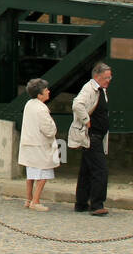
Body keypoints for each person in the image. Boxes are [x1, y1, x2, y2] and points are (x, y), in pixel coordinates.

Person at [70, 62, 112, 215]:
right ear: (97, 76)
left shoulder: (101, 90)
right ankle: (96, 204)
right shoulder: (89, 88)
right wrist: (86, 120)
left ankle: (81, 203)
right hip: (91, 136)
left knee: (86, 171)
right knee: (100, 170)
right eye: (106, 77)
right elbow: (77, 105)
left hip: (96, 136)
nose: (108, 80)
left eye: (109, 77)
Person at [18, 78, 60, 211]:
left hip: (29, 143)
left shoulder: (29, 104)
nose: (48, 91)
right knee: (43, 174)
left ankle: (29, 199)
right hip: (39, 146)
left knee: (31, 174)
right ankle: (35, 201)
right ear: (40, 94)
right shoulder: (41, 109)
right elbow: (49, 129)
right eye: (46, 90)